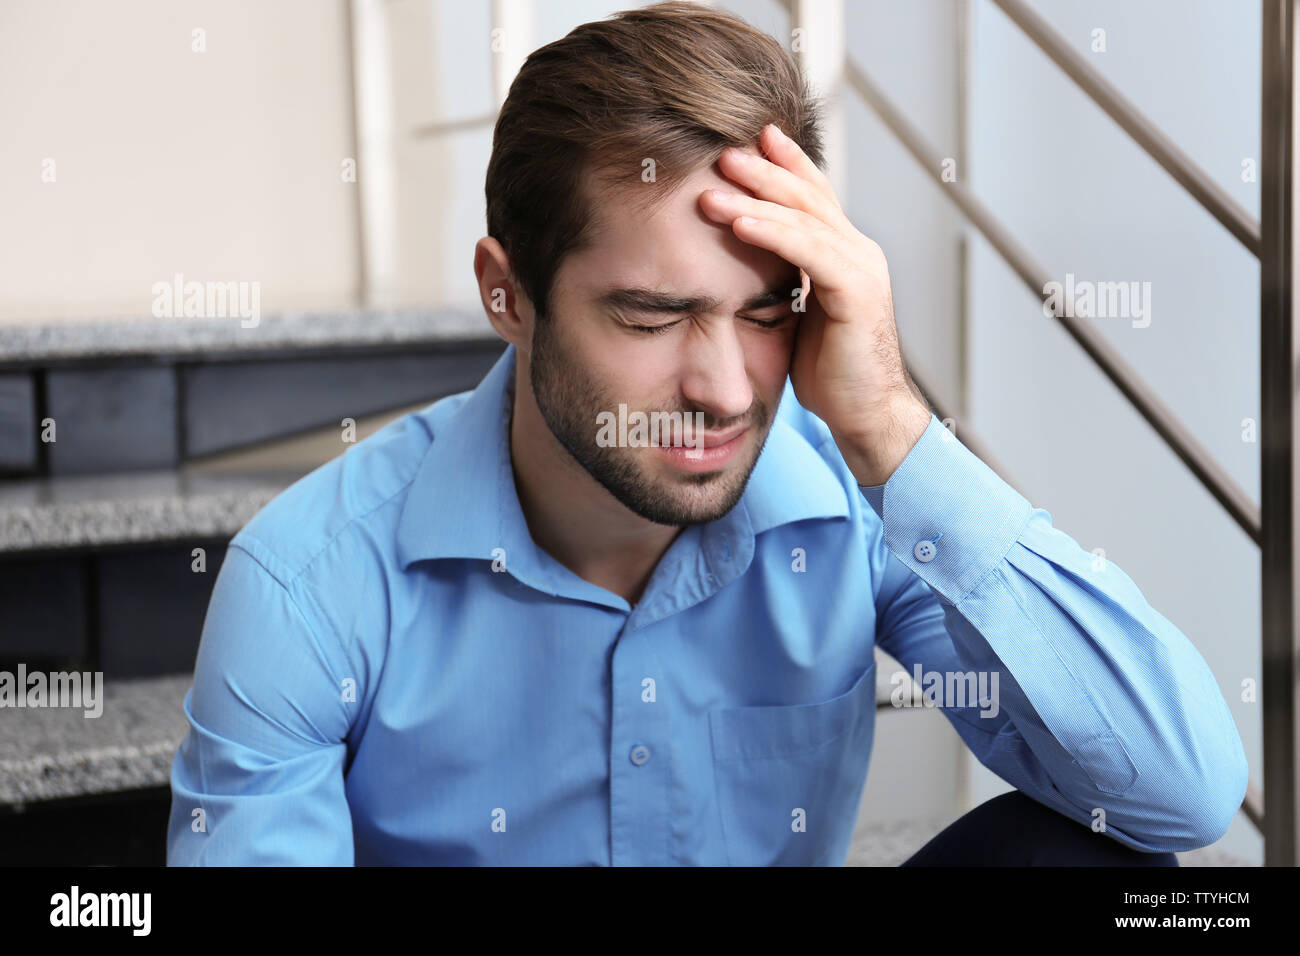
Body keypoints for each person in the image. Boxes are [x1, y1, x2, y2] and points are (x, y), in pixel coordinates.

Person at [167, 0, 1244, 866]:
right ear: (508, 294)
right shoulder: (310, 578)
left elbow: (1177, 793)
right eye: (650, 314)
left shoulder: (845, 504)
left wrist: (892, 433)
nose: (725, 389)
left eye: (768, 308)